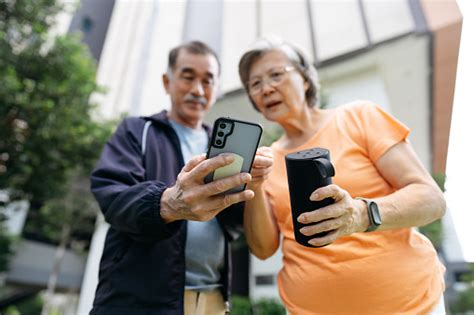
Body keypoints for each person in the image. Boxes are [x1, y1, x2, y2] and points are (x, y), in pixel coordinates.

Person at [238, 37, 447, 314]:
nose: (266, 88)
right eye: (255, 83)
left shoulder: (359, 117)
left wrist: (361, 215)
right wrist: (255, 183)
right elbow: (263, 249)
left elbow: (431, 199)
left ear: (305, 79)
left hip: (411, 305)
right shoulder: (266, 161)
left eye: (276, 75)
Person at [89, 41, 270, 315]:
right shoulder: (138, 130)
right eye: (188, 77)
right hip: (137, 301)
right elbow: (112, 195)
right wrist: (168, 203)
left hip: (213, 301)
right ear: (167, 81)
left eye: (208, 81)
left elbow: (234, 225)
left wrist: (254, 183)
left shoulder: (223, 147)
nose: (198, 90)